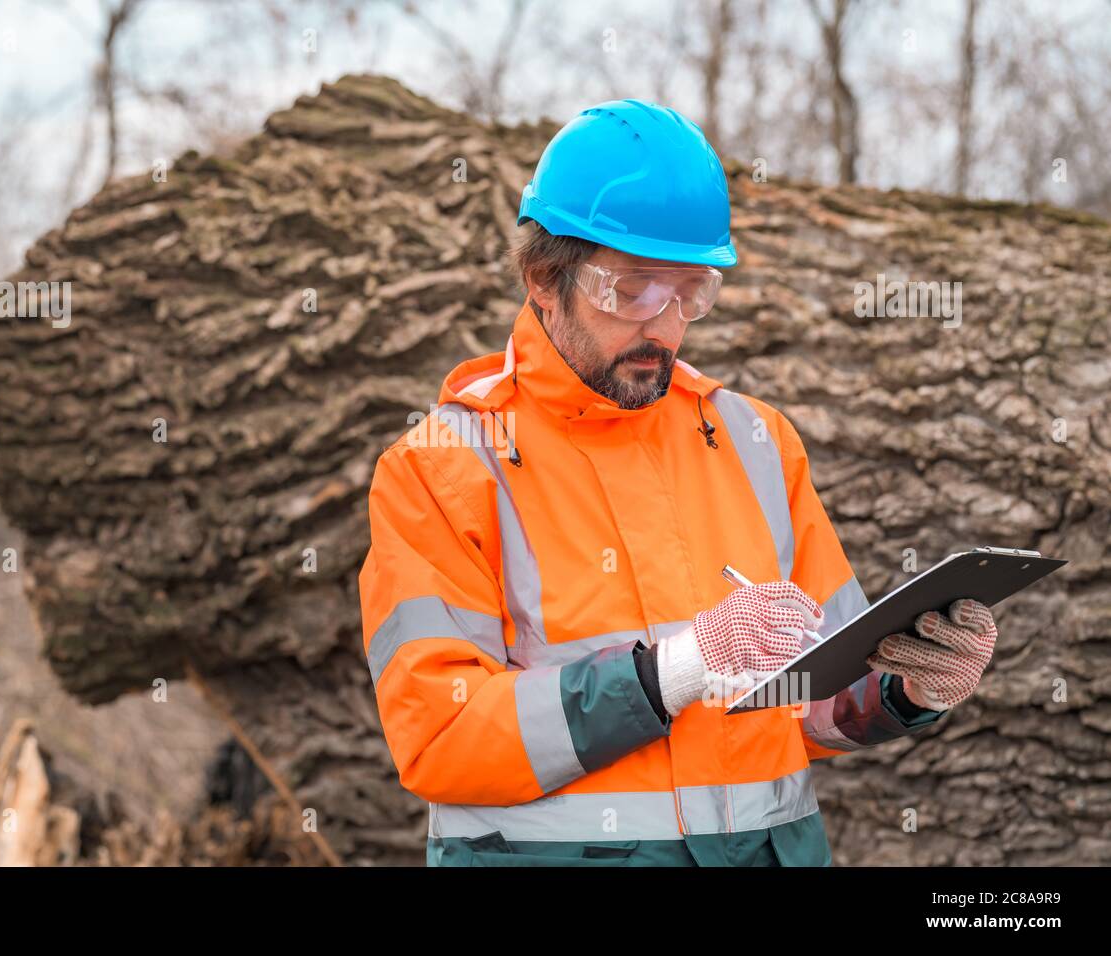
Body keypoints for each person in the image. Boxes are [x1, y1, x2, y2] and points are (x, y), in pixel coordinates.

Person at [357, 98, 999, 866]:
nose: (662, 327)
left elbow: (813, 698)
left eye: (689, 292)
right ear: (541, 278)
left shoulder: (755, 441)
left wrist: (906, 690)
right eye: (631, 290)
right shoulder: (443, 467)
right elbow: (442, 734)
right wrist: (675, 671)